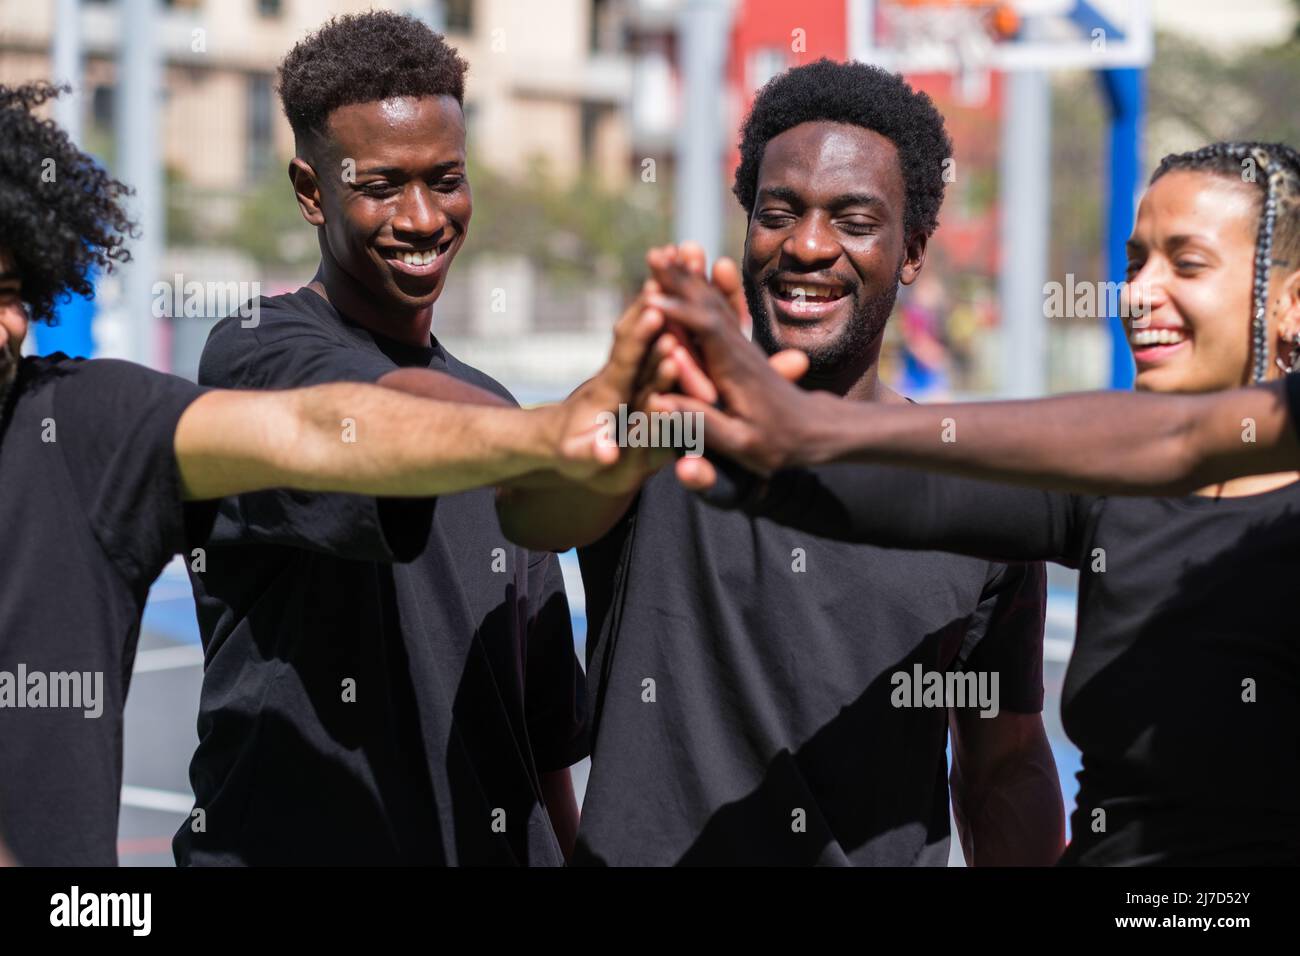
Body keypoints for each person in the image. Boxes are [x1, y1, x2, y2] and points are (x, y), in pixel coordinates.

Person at [0, 81, 665, 866]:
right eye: (381, 185)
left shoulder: (496, 415)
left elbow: (541, 738)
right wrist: (549, 432)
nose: (421, 218)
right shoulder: (254, 350)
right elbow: (337, 420)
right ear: (311, 191)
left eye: (445, 179)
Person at [652, 141, 1300, 865]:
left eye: (1186, 264)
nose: (1140, 293)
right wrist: (755, 439)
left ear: (1292, 302)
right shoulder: (1113, 495)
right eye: (1133, 263)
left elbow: (1182, 439)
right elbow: (920, 490)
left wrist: (814, 427)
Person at [501, 60, 1062, 866]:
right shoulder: (666, 429)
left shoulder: (971, 487)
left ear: (912, 251)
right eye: (779, 213)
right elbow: (534, 508)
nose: (807, 245)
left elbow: (1004, 760)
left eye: (854, 220)